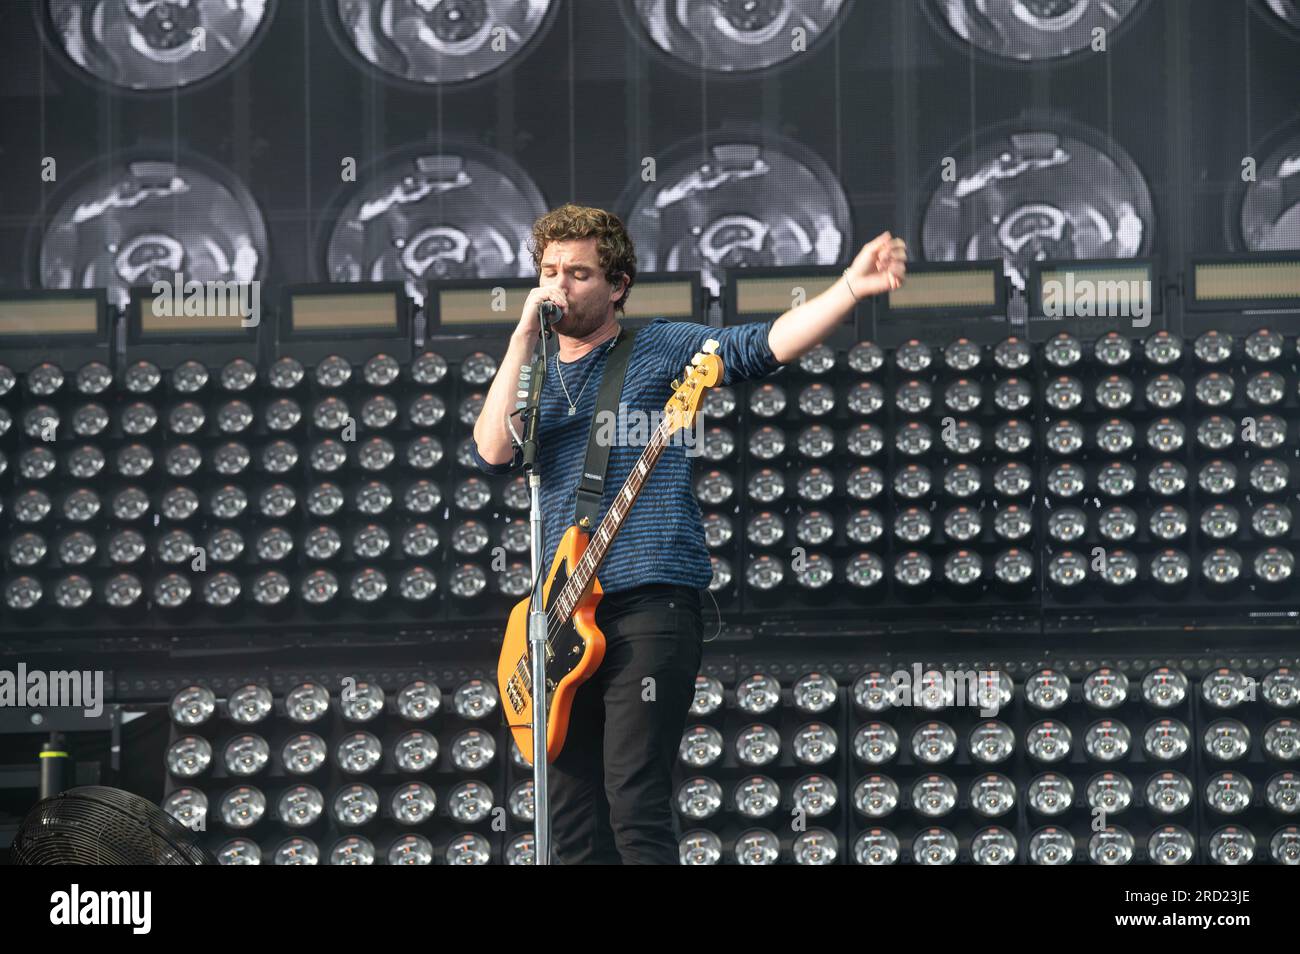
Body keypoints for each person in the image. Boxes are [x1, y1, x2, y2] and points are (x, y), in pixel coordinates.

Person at [471, 203, 906, 863]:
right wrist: (520, 340)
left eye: (579, 274)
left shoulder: (657, 346)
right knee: (572, 820)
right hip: (555, 620)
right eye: (551, 272)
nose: (560, 286)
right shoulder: (532, 373)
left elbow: (761, 347)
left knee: (633, 795)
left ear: (617, 285)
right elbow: (492, 451)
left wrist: (849, 286)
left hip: (648, 600)